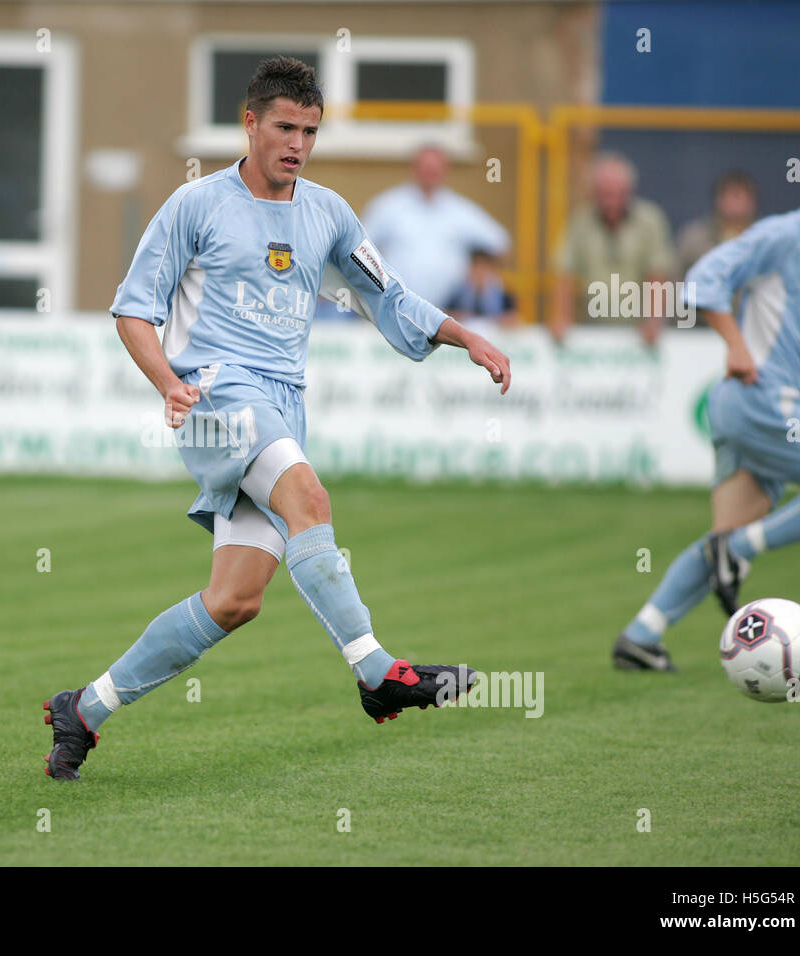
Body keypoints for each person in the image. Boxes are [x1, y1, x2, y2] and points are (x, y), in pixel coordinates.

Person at [41, 57, 510, 780]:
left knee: (234, 601)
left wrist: (467, 336)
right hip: (216, 396)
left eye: (310, 131)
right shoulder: (195, 205)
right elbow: (134, 309)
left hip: (280, 402)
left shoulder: (327, 213)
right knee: (310, 499)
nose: (297, 143)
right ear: (251, 123)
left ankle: (84, 710)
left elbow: (391, 298)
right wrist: (167, 382)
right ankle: (377, 671)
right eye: (285, 127)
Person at [612, 146, 800, 671]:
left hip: (759, 408)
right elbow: (703, 277)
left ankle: (641, 636)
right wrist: (735, 343)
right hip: (761, 399)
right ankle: (740, 546)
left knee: (720, 540)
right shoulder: (783, 236)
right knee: (740, 541)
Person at [362, 144, 510, 309]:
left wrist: (478, 275)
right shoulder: (387, 206)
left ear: (446, 171)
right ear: (413, 169)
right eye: (425, 168)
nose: (430, 174)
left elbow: (500, 243)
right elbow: (359, 247)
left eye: (435, 169)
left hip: (448, 314)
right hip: (395, 309)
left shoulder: (460, 210)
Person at [551, 152, 677, 346]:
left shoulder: (650, 221)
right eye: (603, 194)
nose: (609, 202)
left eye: (615, 194)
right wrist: (561, 318)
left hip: (640, 332)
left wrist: (653, 320)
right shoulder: (580, 222)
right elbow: (565, 275)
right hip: (592, 328)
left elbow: (657, 275)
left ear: (628, 191)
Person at [676, 170, 758, 278]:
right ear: (717, 199)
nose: (735, 203)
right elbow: (675, 278)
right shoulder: (694, 237)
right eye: (729, 194)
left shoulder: (767, 238)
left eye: (739, 195)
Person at [444, 246, 519, 329]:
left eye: (483, 267)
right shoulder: (458, 293)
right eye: (476, 266)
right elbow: (445, 315)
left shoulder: (503, 295)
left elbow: (513, 318)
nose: (479, 271)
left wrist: (496, 320)